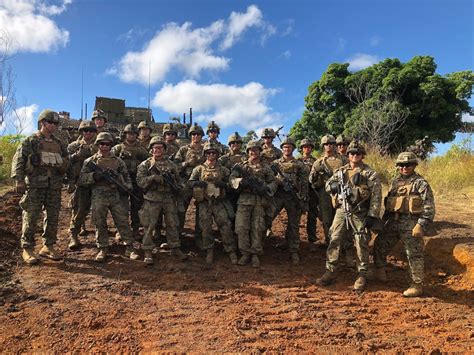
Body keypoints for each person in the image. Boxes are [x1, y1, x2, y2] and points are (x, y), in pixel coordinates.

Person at [317, 141, 381, 291]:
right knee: (335, 238)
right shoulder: (341, 171)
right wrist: (333, 187)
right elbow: (327, 186)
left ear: (362, 155)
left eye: (358, 153)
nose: (355, 156)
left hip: (359, 211)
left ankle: (362, 274)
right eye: (352, 153)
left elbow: (376, 196)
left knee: (361, 241)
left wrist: (372, 215)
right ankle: (330, 270)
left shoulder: (370, 173)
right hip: (341, 210)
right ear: (348, 155)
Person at [11, 109, 69, 264]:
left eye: (56, 123)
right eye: (50, 122)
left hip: (54, 186)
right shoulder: (31, 140)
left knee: (53, 217)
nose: (53, 125)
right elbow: (19, 160)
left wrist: (63, 166)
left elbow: (66, 160)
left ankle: (48, 246)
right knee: (31, 216)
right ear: (43, 122)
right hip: (35, 185)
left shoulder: (59, 143)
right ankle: (28, 248)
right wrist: (19, 180)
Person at [373, 152, 435, 297]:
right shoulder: (395, 182)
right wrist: (382, 222)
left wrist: (421, 224)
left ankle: (416, 285)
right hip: (393, 221)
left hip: (411, 224)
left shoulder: (420, 183)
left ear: (414, 165)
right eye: (401, 165)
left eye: (408, 165)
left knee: (414, 254)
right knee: (379, 244)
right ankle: (379, 270)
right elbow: (389, 203)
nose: (404, 168)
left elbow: (429, 207)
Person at [78, 132, 138, 262]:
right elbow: (82, 179)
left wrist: (126, 187)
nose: (104, 146)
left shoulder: (118, 161)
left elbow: (127, 178)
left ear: (111, 145)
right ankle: (103, 247)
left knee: (122, 221)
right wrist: (95, 176)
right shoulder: (90, 161)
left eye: (107, 144)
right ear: (98, 145)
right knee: (100, 222)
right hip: (98, 196)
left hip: (115, 195)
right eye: (102, 144)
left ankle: (129, 246)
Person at [136, 136, 187, 265]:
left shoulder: (171, 165)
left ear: (164, 150)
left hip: (168, 198)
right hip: (152, 198)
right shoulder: (146, 164)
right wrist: (153, 178)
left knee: (172, 223)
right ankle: (147, 250)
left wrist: (179, 187)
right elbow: (140, 182)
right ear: (151, 150)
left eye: (160, 148)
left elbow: (178, 180)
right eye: (155, 148)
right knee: (149, 225)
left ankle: (175, 247)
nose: (157, 150)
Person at [188, 142, 238, 265]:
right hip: (204, 203)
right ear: (205, 154)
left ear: (217, 154)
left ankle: (231, 250)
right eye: (209, 153)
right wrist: (197, 183)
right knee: (206, 227)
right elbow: (189, 183)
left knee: (225, 225)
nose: (211, 155)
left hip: (219, 202)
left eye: (213, 153)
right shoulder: (198, 169)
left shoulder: (224, 170)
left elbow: (232, 183)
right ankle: (209, 250)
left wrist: (225, 185)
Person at [230, 140, 277, 267]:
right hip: (244, 200)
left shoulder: (265, 167)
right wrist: (240, 182)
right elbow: (232, 179)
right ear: (247, 152)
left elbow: (273, 182)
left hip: (259, 201)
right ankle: (245, 253)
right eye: (251, 150)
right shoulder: (241, 166)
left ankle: (255, 254)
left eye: (256, 149)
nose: (253, 152)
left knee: (258, 228)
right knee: (241, 227)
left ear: (259, 151)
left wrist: (266, 188)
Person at [271, 137, 309, 264]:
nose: (287, 149)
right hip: (278, 196)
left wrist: (302, 197)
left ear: (293, 148)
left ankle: (294, 250)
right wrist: (278, 181)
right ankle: (261, 246)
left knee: (293, 225)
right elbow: (268, 178)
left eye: (289, 147)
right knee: (267, 217)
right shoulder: (275, 164)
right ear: (282, 149)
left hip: (293, 197)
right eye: (285, 147)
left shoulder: (299, 164)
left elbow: (304, 182)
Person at [111, 124, 150, 239]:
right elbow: (111, 161)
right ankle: (121, 230)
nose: (131, 136)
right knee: (121, 206)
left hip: (136, 181)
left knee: (136, 206)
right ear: (125, 134)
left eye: (133, 134)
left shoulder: (141, 149)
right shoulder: (118, 148)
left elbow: (149, 162)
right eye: (129, 133)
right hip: (122, 180)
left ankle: (136, 229)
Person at [309, 135, 348, 244]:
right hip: (324, 193)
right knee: (326, 219)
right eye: (326, 144)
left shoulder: (343, 160)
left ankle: (342, 242)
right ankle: (330, 241)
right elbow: (312, 180)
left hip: (340, 192)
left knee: (341, 218)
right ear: (323, 146)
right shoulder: (319, 162)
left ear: (334, 145)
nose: (329, 146)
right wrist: (317, 172)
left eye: (331, 144)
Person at [67, 120, 98, 249]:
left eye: (91, 131)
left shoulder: (100, 145)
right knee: (80, 210)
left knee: (99, 211)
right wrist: (77, 155)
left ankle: (100, 236)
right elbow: (66, 162)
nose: (88, 133)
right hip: (81, 183)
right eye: (86, 131)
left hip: (98, 182)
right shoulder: (74, 146)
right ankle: (73, 235)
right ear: (81, 132)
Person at [174, 124, 206, 240]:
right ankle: (177, 235)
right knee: (181, 209)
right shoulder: (183, 149)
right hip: (186, 182)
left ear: (202, 136)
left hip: (201, 184)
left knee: (201, 211)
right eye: (193, 134)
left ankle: (199, 236)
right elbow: (175, 166)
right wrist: (187, 163)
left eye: (198, 134)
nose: (195, 136)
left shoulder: (207, 150)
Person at [297, 138, 319, 246]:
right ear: (301, 149)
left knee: (312, 216)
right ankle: (293, 239)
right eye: (305, 147)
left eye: (309, 147)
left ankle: (312, 240)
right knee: (295, 216)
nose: (307, 149)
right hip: (299, 191)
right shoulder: (297, 161)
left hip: (312, 191)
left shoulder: (316, 161)